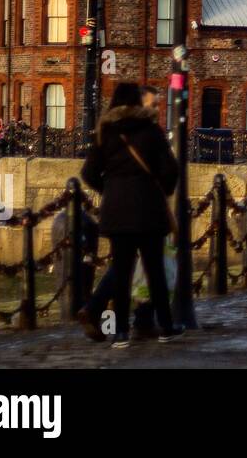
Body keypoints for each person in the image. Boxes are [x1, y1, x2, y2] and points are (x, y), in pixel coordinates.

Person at [79, 82, 181, 348]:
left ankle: (121, 333)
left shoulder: (105, 131)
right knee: (154, 270)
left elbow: (88, 172)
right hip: (148, 209)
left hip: (117, 211)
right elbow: (170, 170)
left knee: (122, 271)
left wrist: (109, 189)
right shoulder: (151, 130)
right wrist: (161, 189)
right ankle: (167, 327)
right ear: (137, 103)